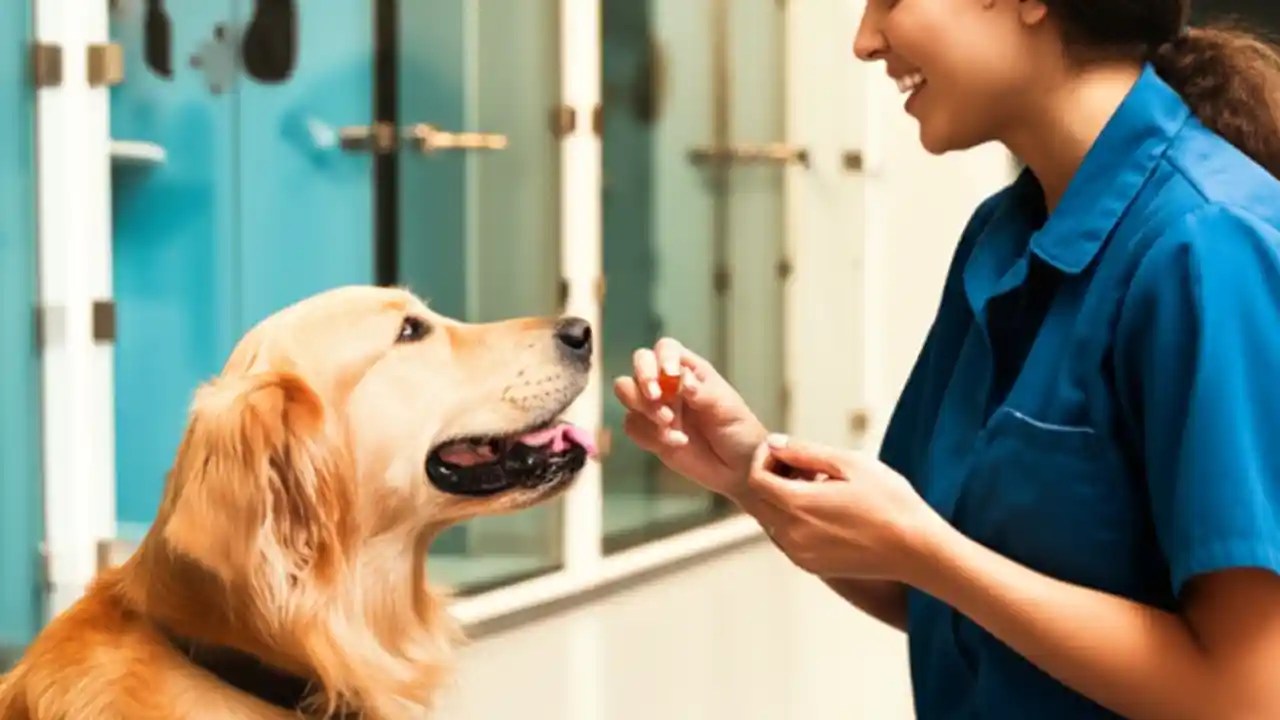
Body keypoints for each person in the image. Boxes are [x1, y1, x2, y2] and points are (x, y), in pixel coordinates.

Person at [614, 1, 1280, 718]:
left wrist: (932, 553)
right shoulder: (1002, 236)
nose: (865, 42)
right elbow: (931, 594)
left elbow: (1246, 697)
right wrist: (750, 472)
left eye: (891, 1)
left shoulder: (1208, 247)